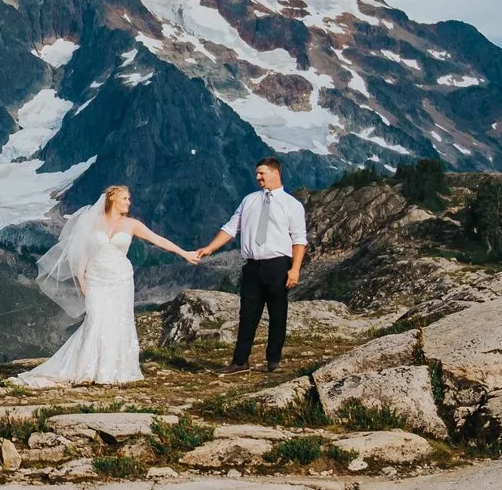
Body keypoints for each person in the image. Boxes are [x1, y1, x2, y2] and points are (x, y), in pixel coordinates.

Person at [15, 184, 197, 386]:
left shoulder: (132, 224)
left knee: (118, 320)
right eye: (125, 198)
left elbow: (158, 240)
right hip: (96, 277)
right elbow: (84, 251)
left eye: (128, 199)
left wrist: (184, 253)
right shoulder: (92, 222)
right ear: (112, 199)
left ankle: (111, 370)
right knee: (95, 319)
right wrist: (81, 278)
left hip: (121, 278)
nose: (129, 202)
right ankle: (86, 369)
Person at [197, 157, 308, 371]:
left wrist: (295, 269)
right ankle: (240, 361)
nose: (257, 177)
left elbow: (299, 239)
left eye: (262, 173)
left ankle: (273, 361)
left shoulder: (292, 205)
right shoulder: (249, 200)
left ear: (275, 173)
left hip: (278, 265)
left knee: (278, 313)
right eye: (257, 173)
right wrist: (210, 248)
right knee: (247, 314)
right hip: (252, 265)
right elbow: (231, 228)